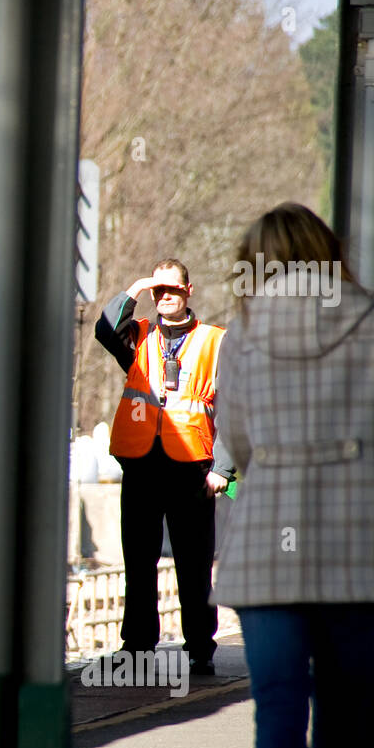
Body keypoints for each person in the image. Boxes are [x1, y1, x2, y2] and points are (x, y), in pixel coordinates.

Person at [212, 202, 374, 748]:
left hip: (266, 551)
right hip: (359, 550)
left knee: (279, 706)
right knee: (345, 715)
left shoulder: (241, 335)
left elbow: (239, 445)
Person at [96, 258, 235, 674]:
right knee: (138, 561)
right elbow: (105, 328)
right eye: (158, 291)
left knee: (193, 564)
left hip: (192, 468)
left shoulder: (215, 342)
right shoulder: (139, 336)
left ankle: (199, 647)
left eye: (171, 289)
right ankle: (137, 645)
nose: (164, 297)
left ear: (189, 291)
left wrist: (222, 470)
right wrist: (137, 284)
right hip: (141, 464)